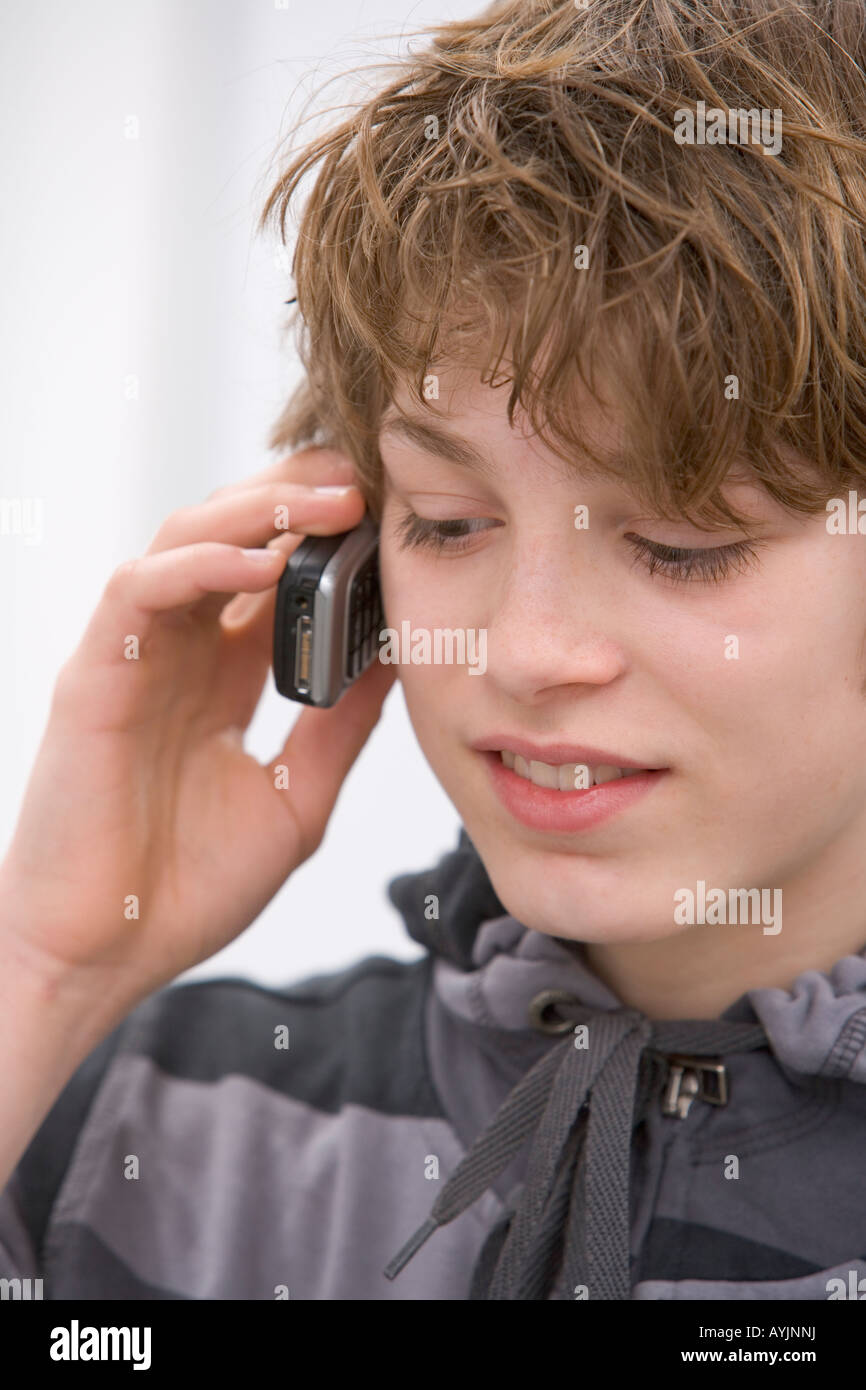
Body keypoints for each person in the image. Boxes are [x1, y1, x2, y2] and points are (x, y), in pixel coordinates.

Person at [2, 0, 866, 1301]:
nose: (522, 648)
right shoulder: (132, 1132)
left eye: (681, 542)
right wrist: (44, 968)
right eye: (449, 520)